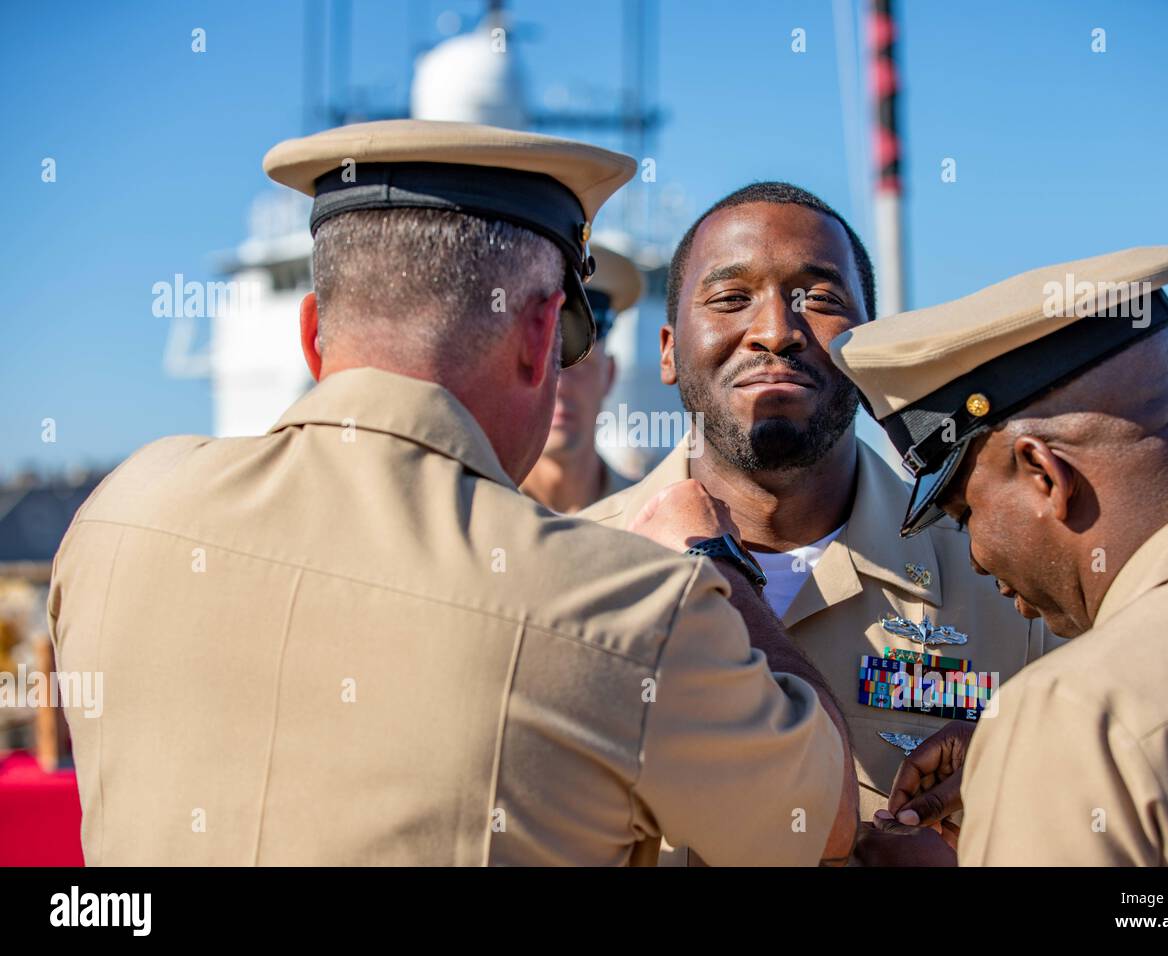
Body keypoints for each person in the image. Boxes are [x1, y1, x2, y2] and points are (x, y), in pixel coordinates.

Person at [48, 119, 858, 866]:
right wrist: (714, 559)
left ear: (310, 336)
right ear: (541, 337)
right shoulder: (628, 606)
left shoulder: (118, 517)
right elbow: (822, 817)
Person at [582, 182, 1051, 850]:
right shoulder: (573, 568)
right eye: (731, 298)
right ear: (667, 349)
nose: (776, 330)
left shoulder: (1010, 592)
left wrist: (1012, 784)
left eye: (819, 299)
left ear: (870, 347)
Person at [841, 244, 1168, 865]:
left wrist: (1040, 762)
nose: (974, 558)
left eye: (965, 514)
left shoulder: (1081, 716)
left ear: (1043, 473)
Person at [520, 242, 641, 512]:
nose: (560, 387)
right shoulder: (474, 516)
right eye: (545, 367)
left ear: (609, 375)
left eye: (579, 367)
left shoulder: (647, 517)